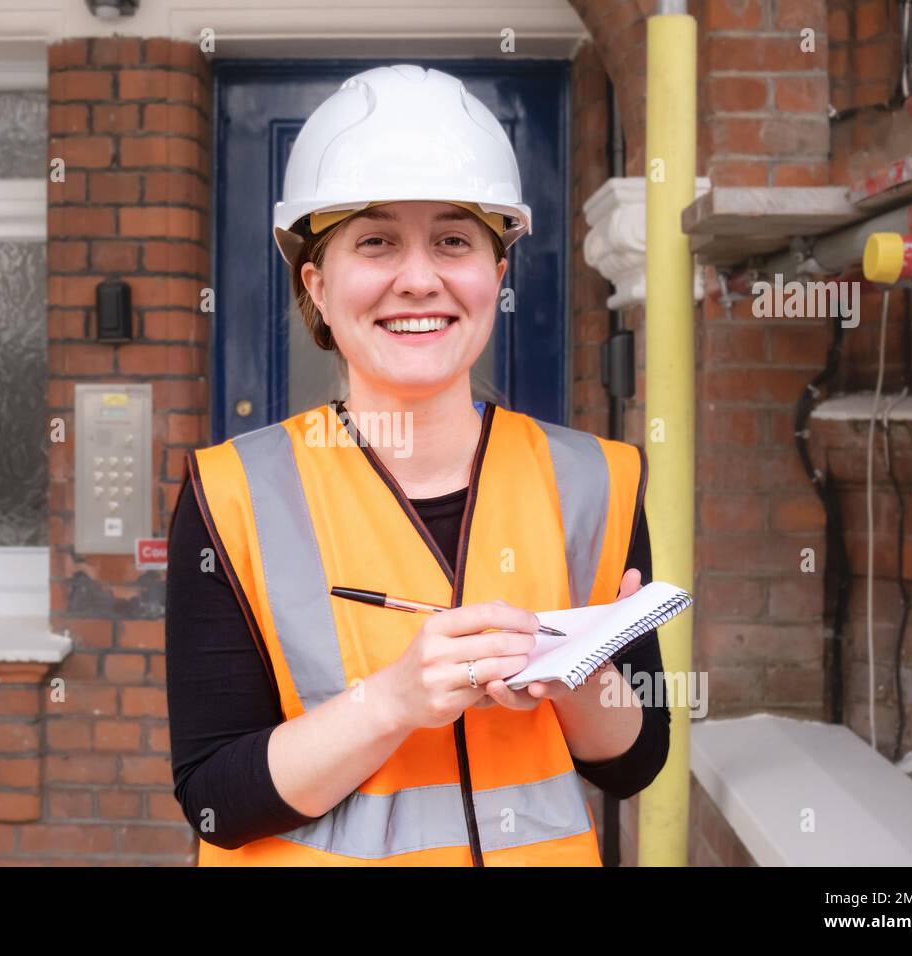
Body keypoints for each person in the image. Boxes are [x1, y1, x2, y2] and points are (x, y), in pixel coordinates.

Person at [165, 64, 669, 866]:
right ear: (318, 287)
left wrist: (577, 678)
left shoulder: (597, 481)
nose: (419, 278)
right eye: (375, 242)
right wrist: (393, 702)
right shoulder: (231, 494)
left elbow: (635, 762)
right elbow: (215, 798)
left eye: (452, 240)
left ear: (495, 278)